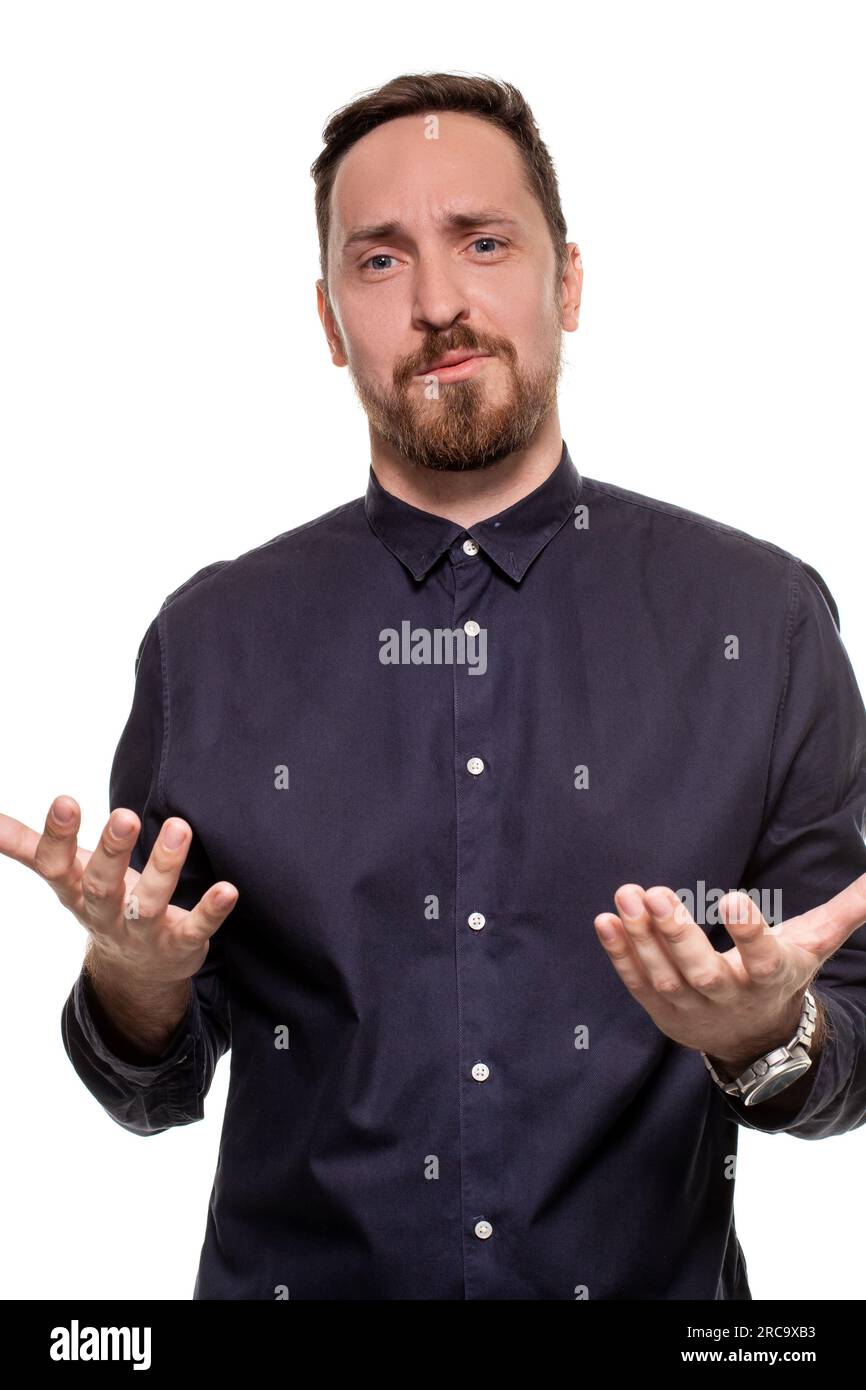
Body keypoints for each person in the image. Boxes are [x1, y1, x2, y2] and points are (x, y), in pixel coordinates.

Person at [3, 72, 866, 1301]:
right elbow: (158, 1086)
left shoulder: (761, 622)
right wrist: (137, 988)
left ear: (565, 280)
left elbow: (848, 1036)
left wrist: (763, 1040)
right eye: (379, 261)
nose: (440, 302)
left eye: (482, 242)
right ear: (327, 320)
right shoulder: (210, 642)